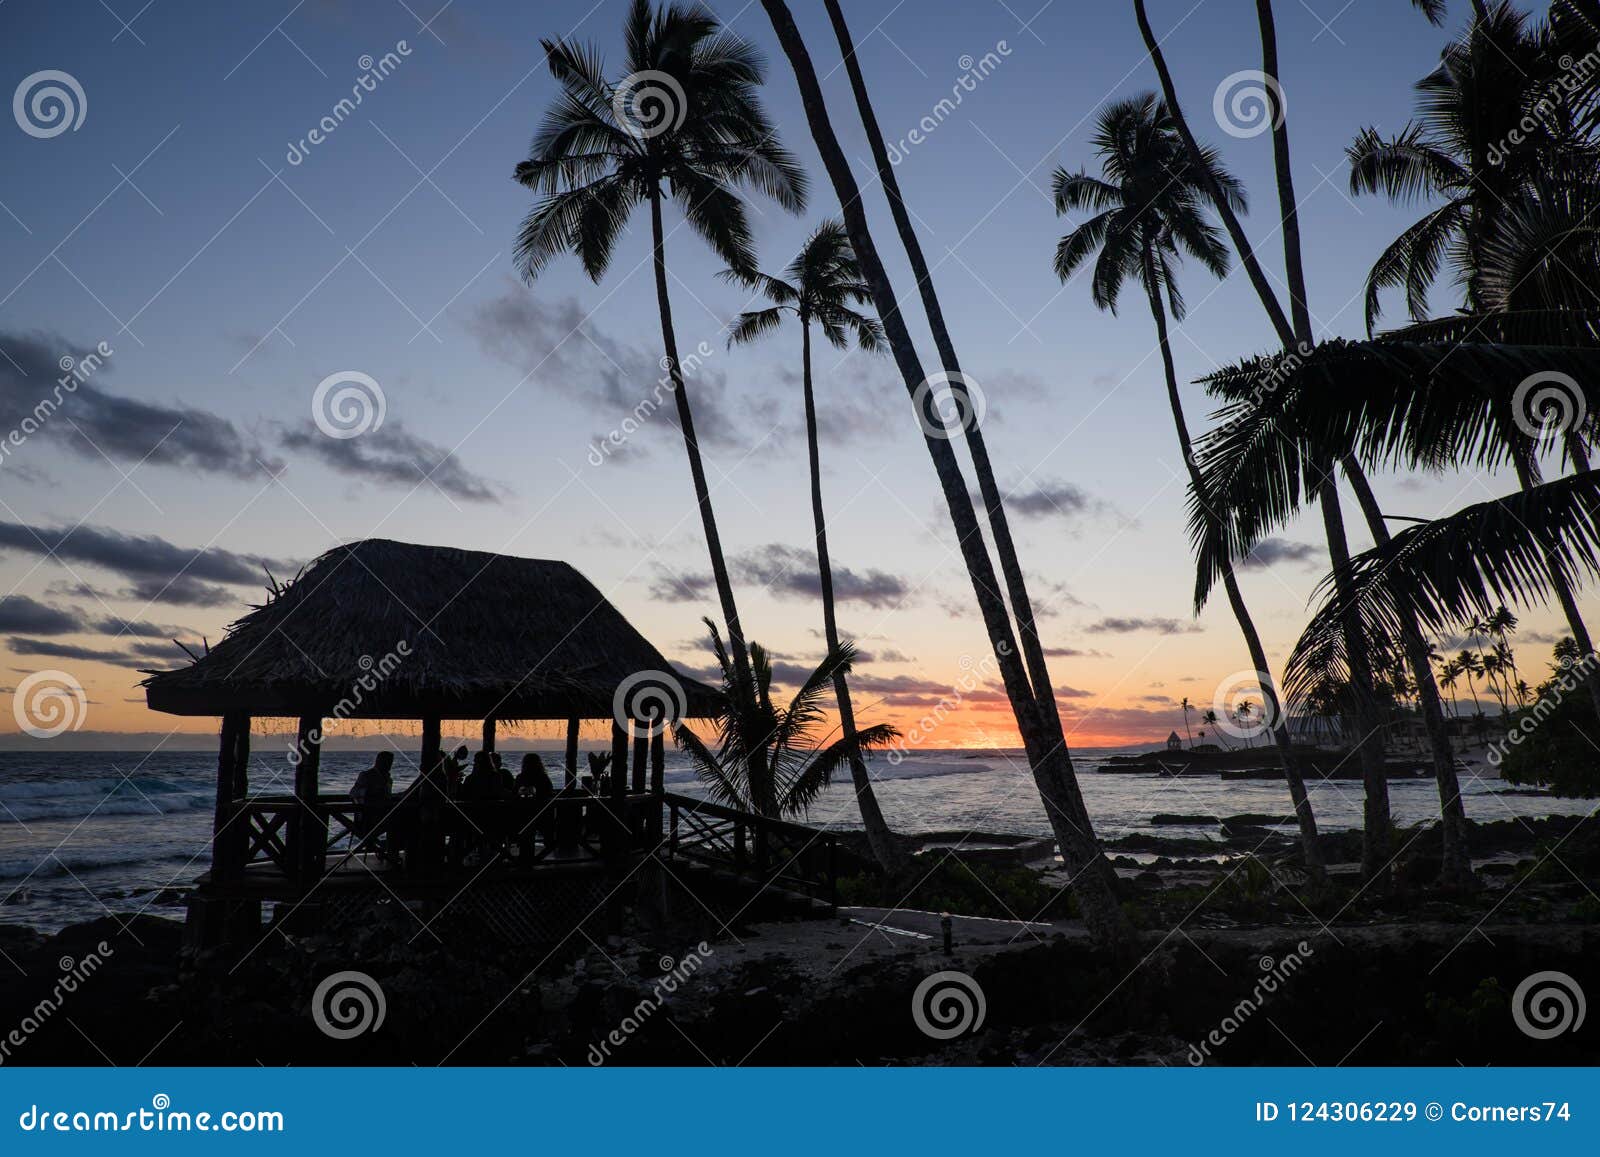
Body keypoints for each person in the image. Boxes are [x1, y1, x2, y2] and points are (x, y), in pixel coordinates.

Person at [350, 751, 395, 845]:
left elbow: (387, 797)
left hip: (382, 816)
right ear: (378, 761)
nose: (389, 765)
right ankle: (389, 848)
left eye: (390, 762)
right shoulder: (366, 775)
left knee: (402, 821)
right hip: (367, 819)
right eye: (386, 762)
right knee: (397, 821)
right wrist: (371, 793)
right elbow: (353, 793)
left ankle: (390, 848)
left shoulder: (388, 779)